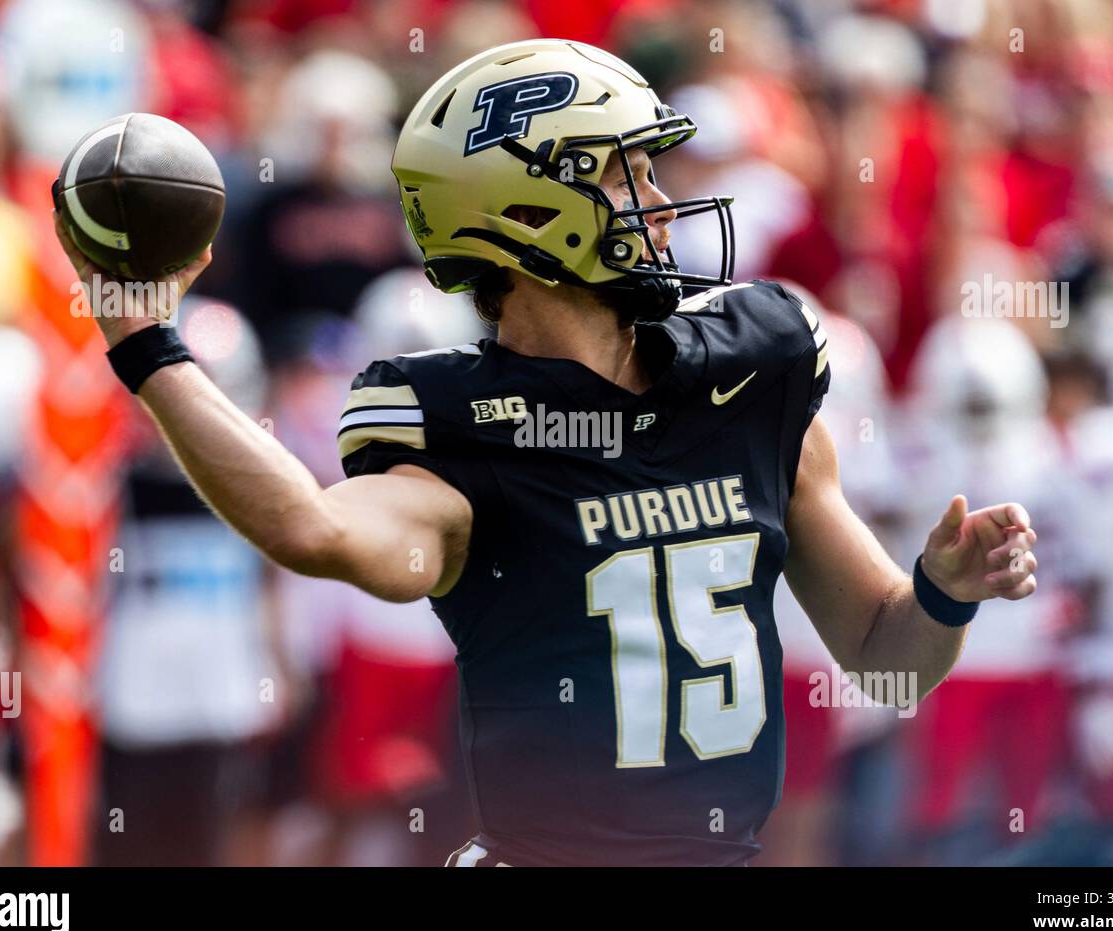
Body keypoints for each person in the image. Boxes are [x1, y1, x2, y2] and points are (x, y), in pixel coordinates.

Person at [54, 38, 1039, 867]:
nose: (661, 199)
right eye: (627, 170)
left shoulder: (748, 375)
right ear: (527, 208)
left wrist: (945, 592)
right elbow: (310, 526)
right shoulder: (466, 434)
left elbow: (887, 660)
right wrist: (147, 344)